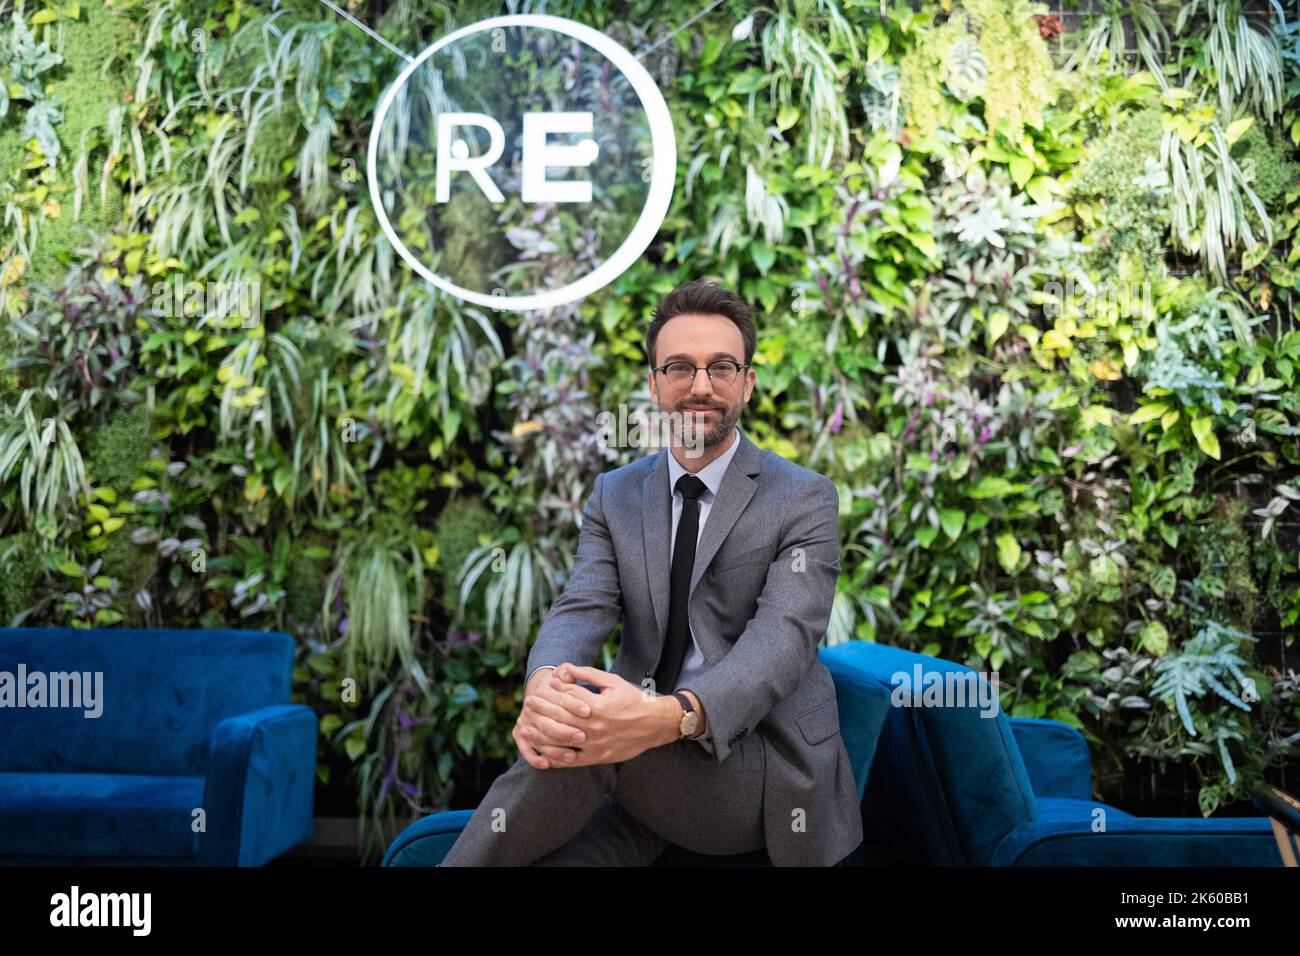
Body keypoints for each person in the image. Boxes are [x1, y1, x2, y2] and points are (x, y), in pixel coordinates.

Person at [440, 279, 861, 866]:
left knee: (589, 729)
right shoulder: (617, 494)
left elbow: (782, 642)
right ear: (654, 384)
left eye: (721, 367)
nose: (700, 386)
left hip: (759, 764)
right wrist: (543, 687)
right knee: (574, 729)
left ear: (747, 383)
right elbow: (581, 608)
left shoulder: (802, 498)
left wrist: (667, 716)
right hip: (644, 763)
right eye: (679, 368)